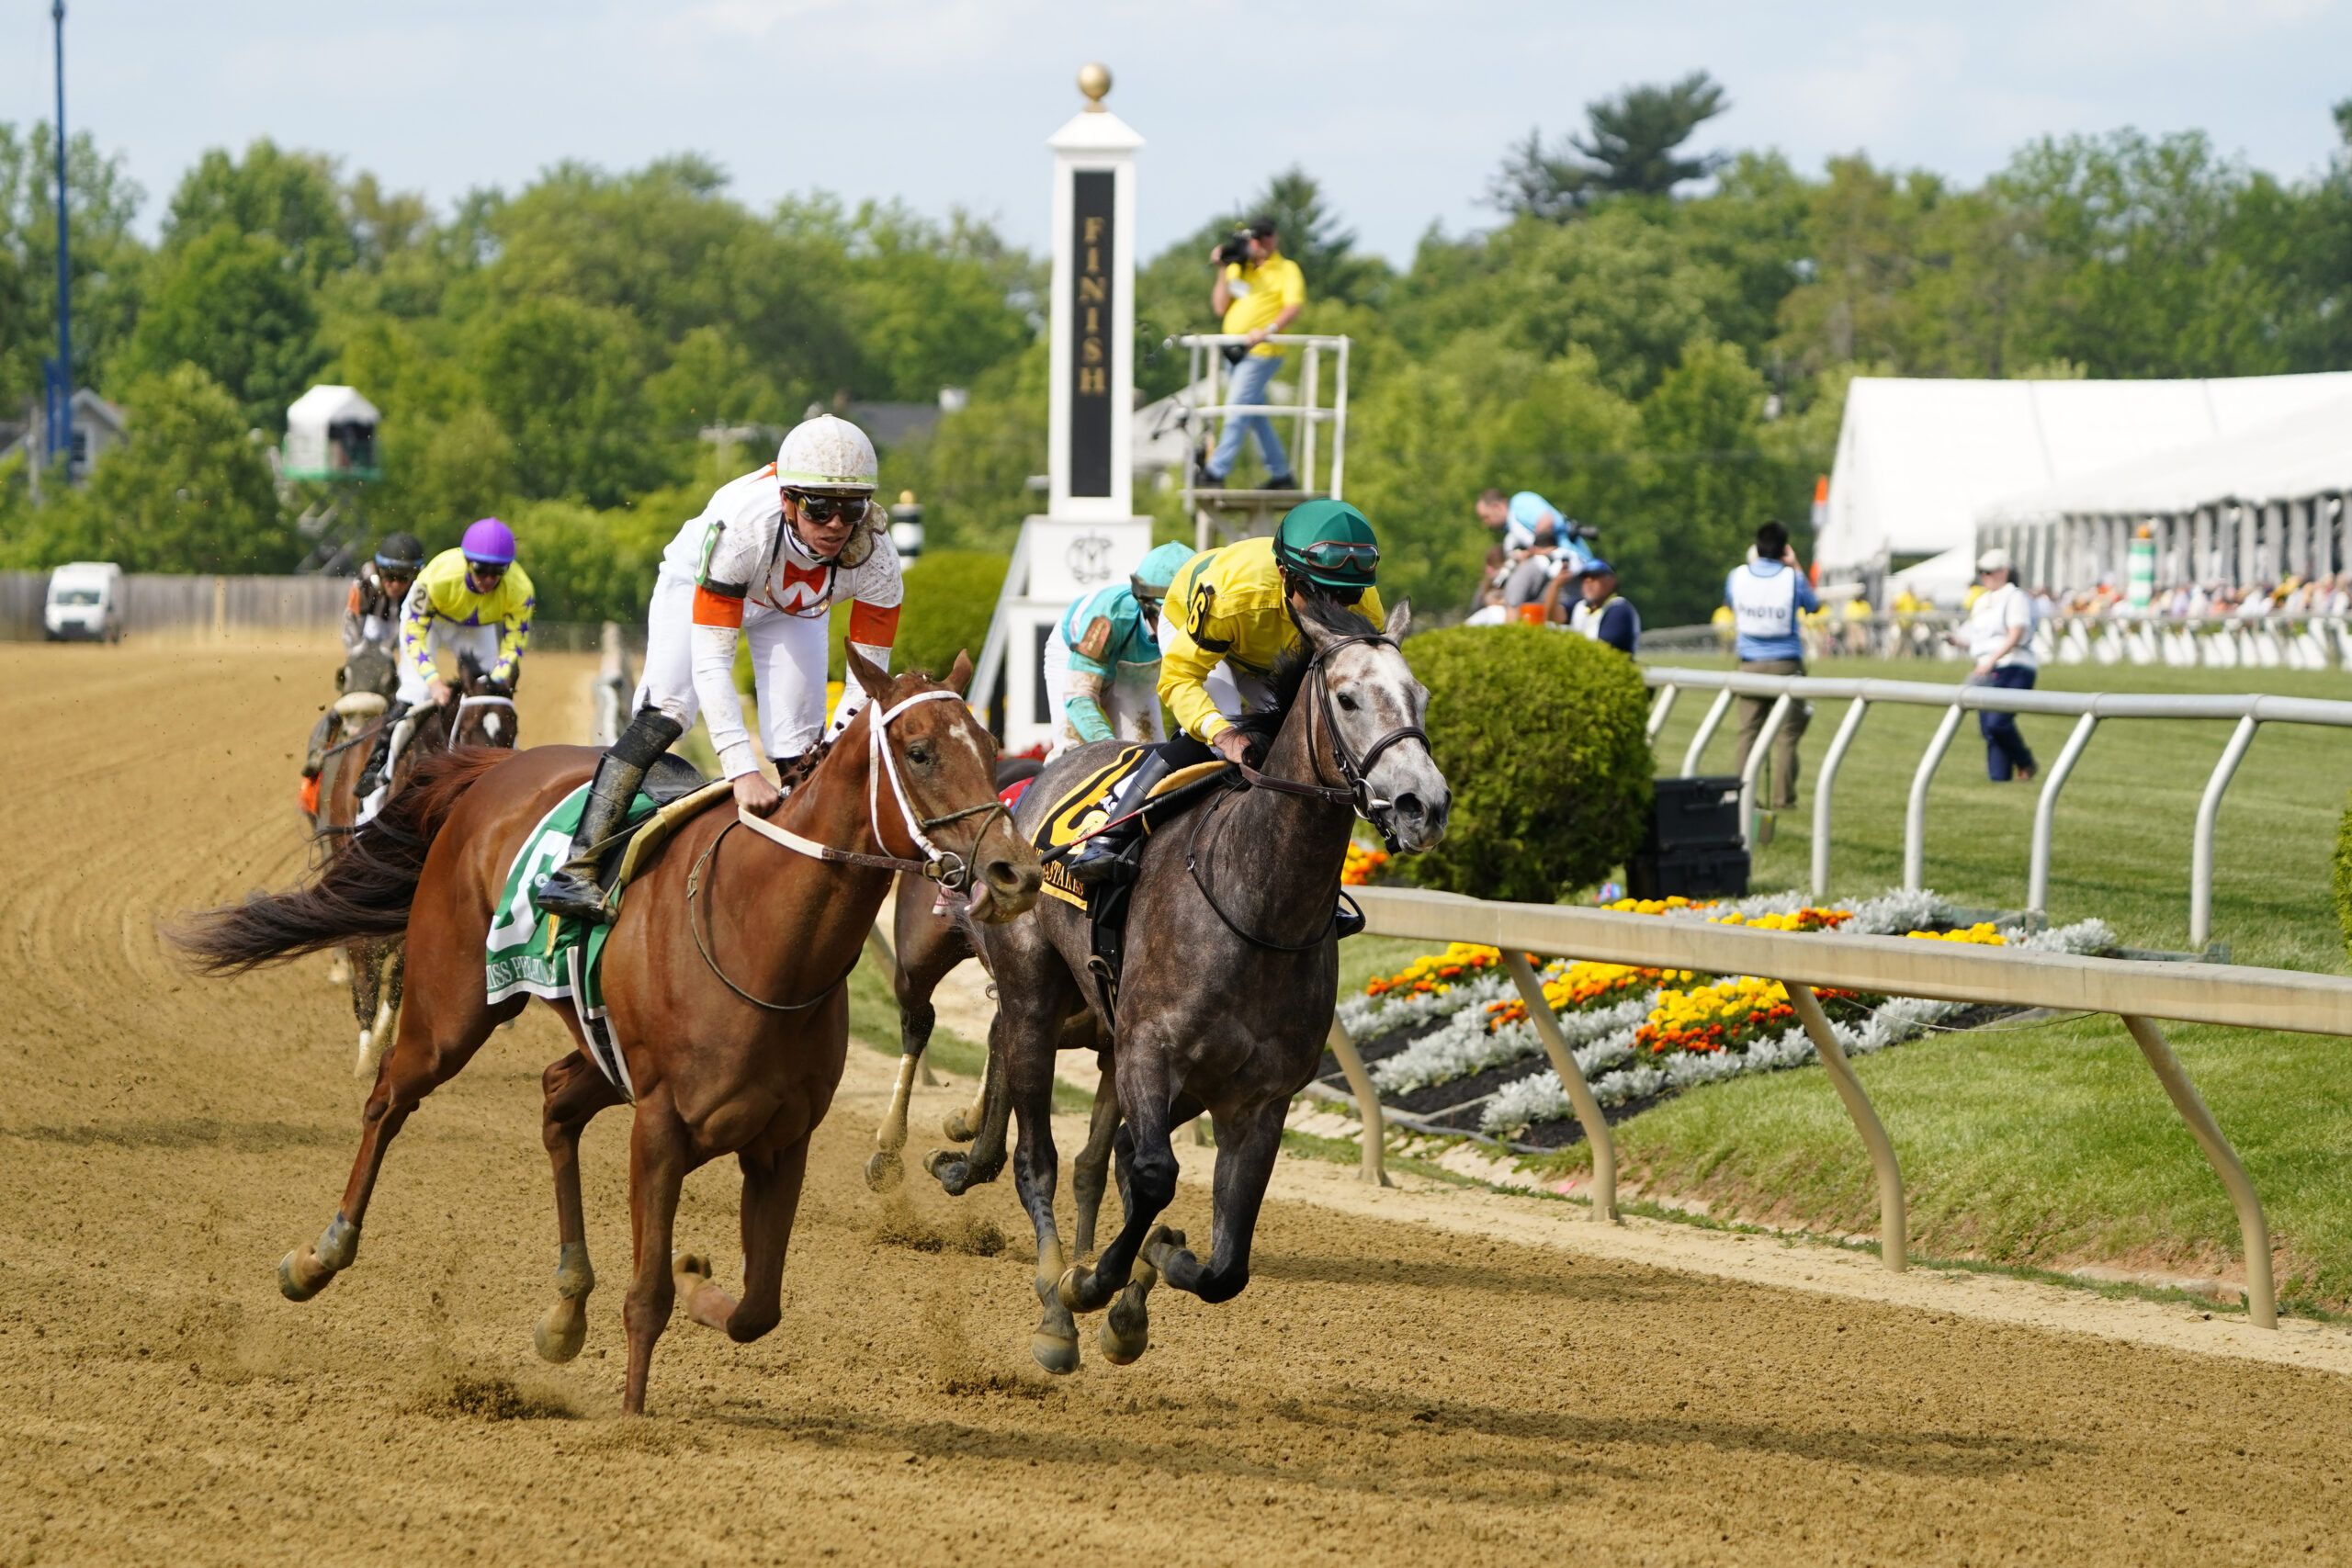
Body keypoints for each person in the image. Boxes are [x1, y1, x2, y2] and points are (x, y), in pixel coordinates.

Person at [533, 414, 899, 921]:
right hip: (701, 583)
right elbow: (712, 661)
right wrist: (741, 770)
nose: (836, 525)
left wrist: (832, 745)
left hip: (791, 608)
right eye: (819, 508)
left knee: (802, 748)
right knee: (671, 710)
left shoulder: (878, 555)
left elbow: (869, 679)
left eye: (851, 508)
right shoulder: (746, 531)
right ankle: (577, 869)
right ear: (788, 500)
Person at [1063, 499, 1385, 886]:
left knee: (1295, 742)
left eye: (1344, 597)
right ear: (1284, 573)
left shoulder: (1366, 608)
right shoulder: (1234, 594)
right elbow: (1178, 677)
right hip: (1203, 634)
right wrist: (1222, 733)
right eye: (1316, 593)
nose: (1330, 608)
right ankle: (1111, 836)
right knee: (1221, 734)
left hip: (1268, 653)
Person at [355, 519, 535, 807]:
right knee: (416, 694)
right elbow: (413, 631)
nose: (488, 579)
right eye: (481, 570)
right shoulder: (437, 578)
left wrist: (497, 682)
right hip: (430, 622)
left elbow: (514, 643)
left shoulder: (521, 589)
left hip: (478, 628)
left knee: (495, 703)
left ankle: (509, 769)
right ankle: (377, 771)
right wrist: (432, 680)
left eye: (497, 572)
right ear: (467, 563)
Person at [1045, 542, 1193, 760]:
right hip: (1071, 657)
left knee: (1148, 754)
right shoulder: (1107, 617)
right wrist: (1110, 750)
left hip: (1134, 673)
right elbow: (1079, 698)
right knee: (1074, 750)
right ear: (1146, 604)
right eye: (1172, 615)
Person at [300, 532, 422, 784]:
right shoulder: (363, 585)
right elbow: (351, 626)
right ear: (379, 570)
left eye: (403, 578)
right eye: (390, 576)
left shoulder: (421, 594)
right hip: (362, 655)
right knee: (345, 707)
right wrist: (362, 659)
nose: (396, 585)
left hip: (400, 658)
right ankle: (316, 752)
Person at [1197, 218, 1305, 491]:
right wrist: (1223, 268)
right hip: (1233, 351)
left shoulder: (1286, 269)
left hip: (1262, 352)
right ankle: (1281, 475)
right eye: (1257, 237)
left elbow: (1293, 307)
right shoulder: (1240, 270)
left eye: (1268, 235)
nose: (1263, 242)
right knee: (1255, 416)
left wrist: (1267, 330)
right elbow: (1221, 307)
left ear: (1275, 238)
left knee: (1236, 409)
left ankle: (1215, 471)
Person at [1725, 520, 1818, 809]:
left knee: (1748, 732)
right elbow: (1813, 605)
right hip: (1785, 665)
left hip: (1749, 664)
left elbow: (1731, 604)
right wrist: (1796, 566)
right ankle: (1783, 798)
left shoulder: (1737, 576)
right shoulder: (1793, 578)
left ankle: (1743, 795)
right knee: (1787, 735)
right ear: (1784, 549)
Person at [1947, 547, 2039, 783]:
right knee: (1988, 728)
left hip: (2014, 666)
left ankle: (2025, 761)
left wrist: (1992, 660)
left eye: (1989, 572)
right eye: (1982, 572)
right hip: (1987, 668)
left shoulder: (2014, 597)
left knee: (1998, 722)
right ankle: (1999, 778)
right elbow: (1977, 639)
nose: (1985, 577)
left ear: (2004, 572)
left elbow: (2015, 633)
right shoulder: (1981, 602)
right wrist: (1955, 640)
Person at [1476, 488, 1593, 613]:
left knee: (1517, 589)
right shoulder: (1511, 530)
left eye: (1486, 517)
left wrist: (1531, 553)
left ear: (1497, 506)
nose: (1486, 523)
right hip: (1556, 569)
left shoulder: (1520, 502)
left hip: (1569, 562)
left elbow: (1546, 520)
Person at [1567, 559, 1639, 654]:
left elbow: (1604, 648)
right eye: (1585, 577)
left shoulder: (1619, 608)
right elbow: (1552, 617)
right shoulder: (1580, 606)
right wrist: (1556, 584)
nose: (1588, 581)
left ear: (1611, 581)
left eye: (1595, 577)